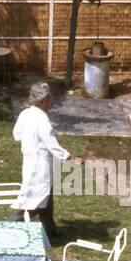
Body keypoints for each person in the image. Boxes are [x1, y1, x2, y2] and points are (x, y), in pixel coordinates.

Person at [11, 81, 79, 241]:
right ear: (43, 100)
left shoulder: (25, 114)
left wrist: (29, 140)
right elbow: (52, 144)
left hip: (29, 162)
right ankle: (8, 225)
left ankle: (49, 229)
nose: (50, 101)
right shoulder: (42, 119)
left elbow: (16, 134)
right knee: (33, 202)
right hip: (40, 166)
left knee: (47, 198)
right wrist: (71, 157)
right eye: (49, 98)